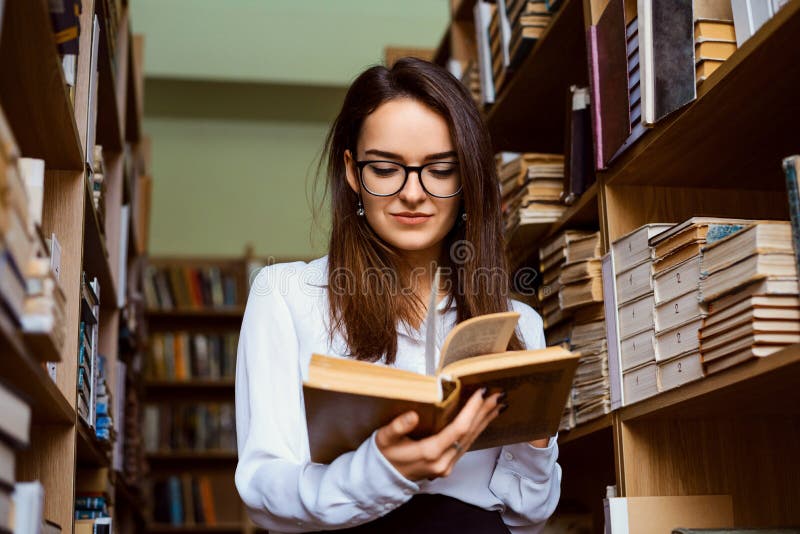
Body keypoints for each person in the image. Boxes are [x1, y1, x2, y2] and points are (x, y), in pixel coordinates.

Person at [235, 58, 560, 533]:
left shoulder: (518, 323)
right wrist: (381, 470)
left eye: (440, 170)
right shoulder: (285, 297)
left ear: (467, 178)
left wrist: (535, 440)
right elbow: (263, 493)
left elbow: (527, 517)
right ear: (352, 172)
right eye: (386, 169)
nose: (412, 193)